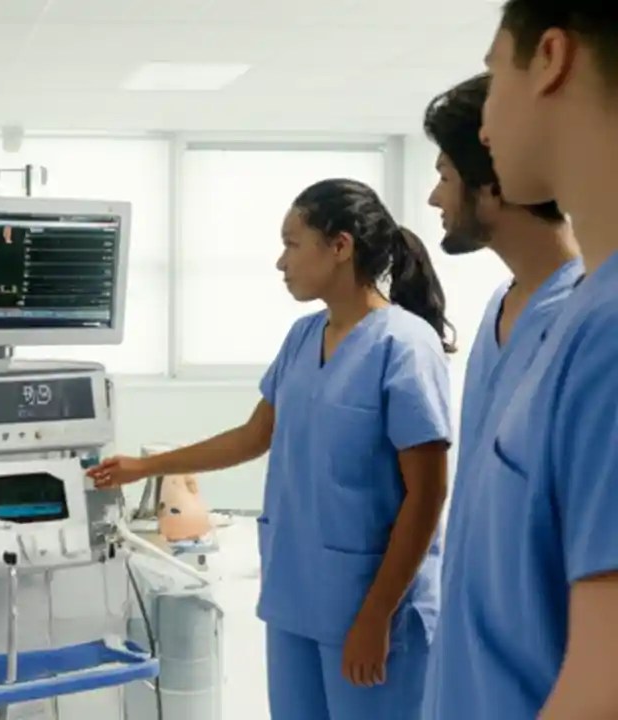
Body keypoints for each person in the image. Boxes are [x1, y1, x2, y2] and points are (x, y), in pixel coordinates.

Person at [90, 178, 451, 720]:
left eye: (291, 243)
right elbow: (253, 436)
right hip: (297, 594)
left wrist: (376, 615)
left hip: (371, 603)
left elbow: (427, 496)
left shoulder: (404, 345)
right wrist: (146, 466)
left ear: (340, 246)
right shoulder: (304, 338)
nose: (281, 262)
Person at [434, 3, 618, 717]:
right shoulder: (581, 320)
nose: (485, 123)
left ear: (550, 57)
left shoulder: (603, 332)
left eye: (492, 71)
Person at [418, 72, 582, 717]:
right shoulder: (498, 310)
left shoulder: (588, 327)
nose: (434, 196)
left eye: (445, 174)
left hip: (545, 685)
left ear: (496, 180)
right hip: (468, 673)